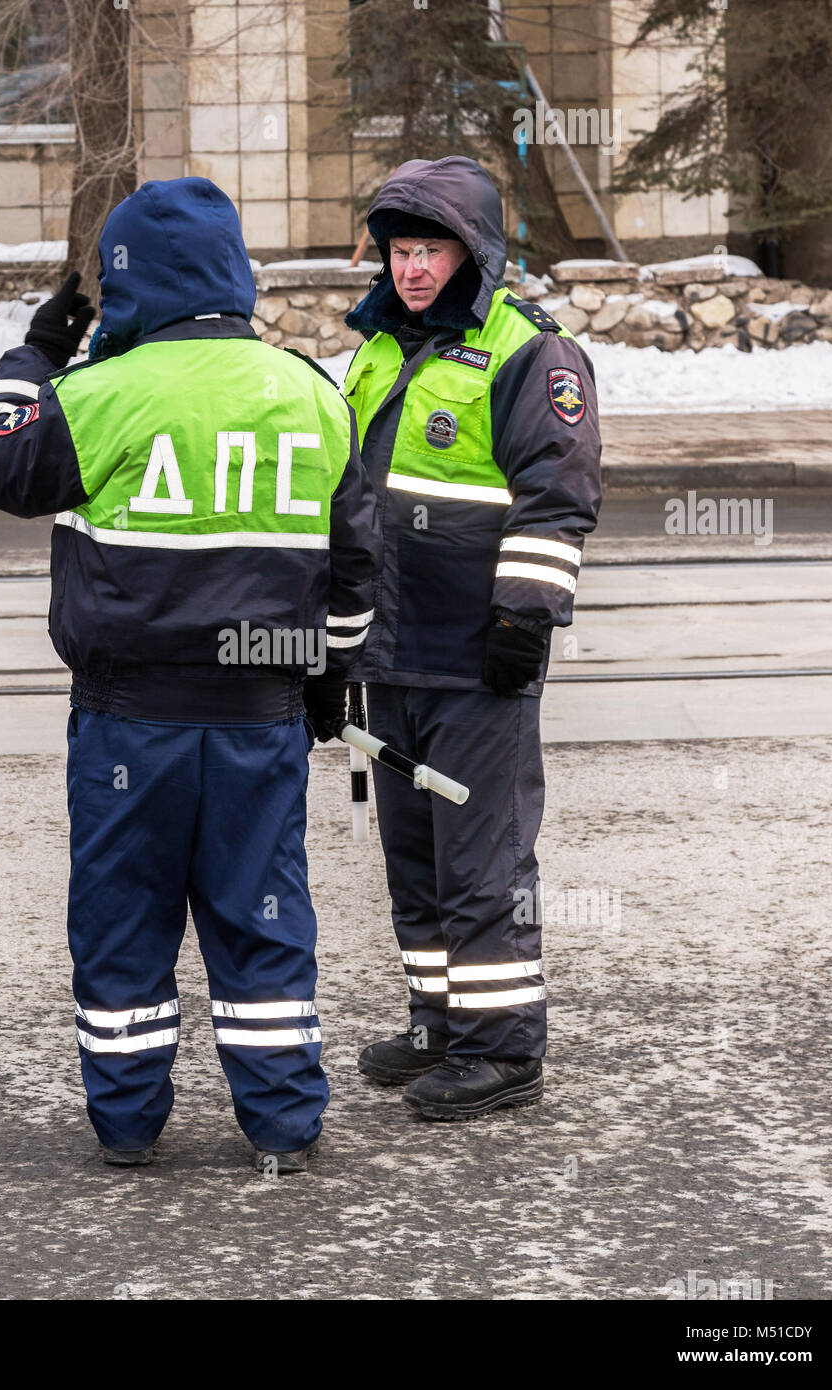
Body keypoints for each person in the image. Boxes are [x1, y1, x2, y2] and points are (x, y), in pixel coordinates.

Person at [0, 177, 378, 1173]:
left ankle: (126, 1120)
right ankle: (282, 1117)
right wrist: (329, 680)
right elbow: (357, 569)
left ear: (126, 287)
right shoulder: (310, 394)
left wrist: (35, 354)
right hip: (262, 720)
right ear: (232, 276)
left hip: (127, 725)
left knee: (123, 916)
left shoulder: (95, 395)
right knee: (263, 914)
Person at [344, 156, 602, 1119]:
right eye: (401, 250)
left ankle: (501, 1052)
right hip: (390, 653)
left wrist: (522, 622)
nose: (412, 269)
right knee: (414, 855)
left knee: (481, 859)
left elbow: (558, 498)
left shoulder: (532, 352)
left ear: (475, 253)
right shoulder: (376, 348)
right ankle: (437, 1025)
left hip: (475, 658)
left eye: (432, 250)